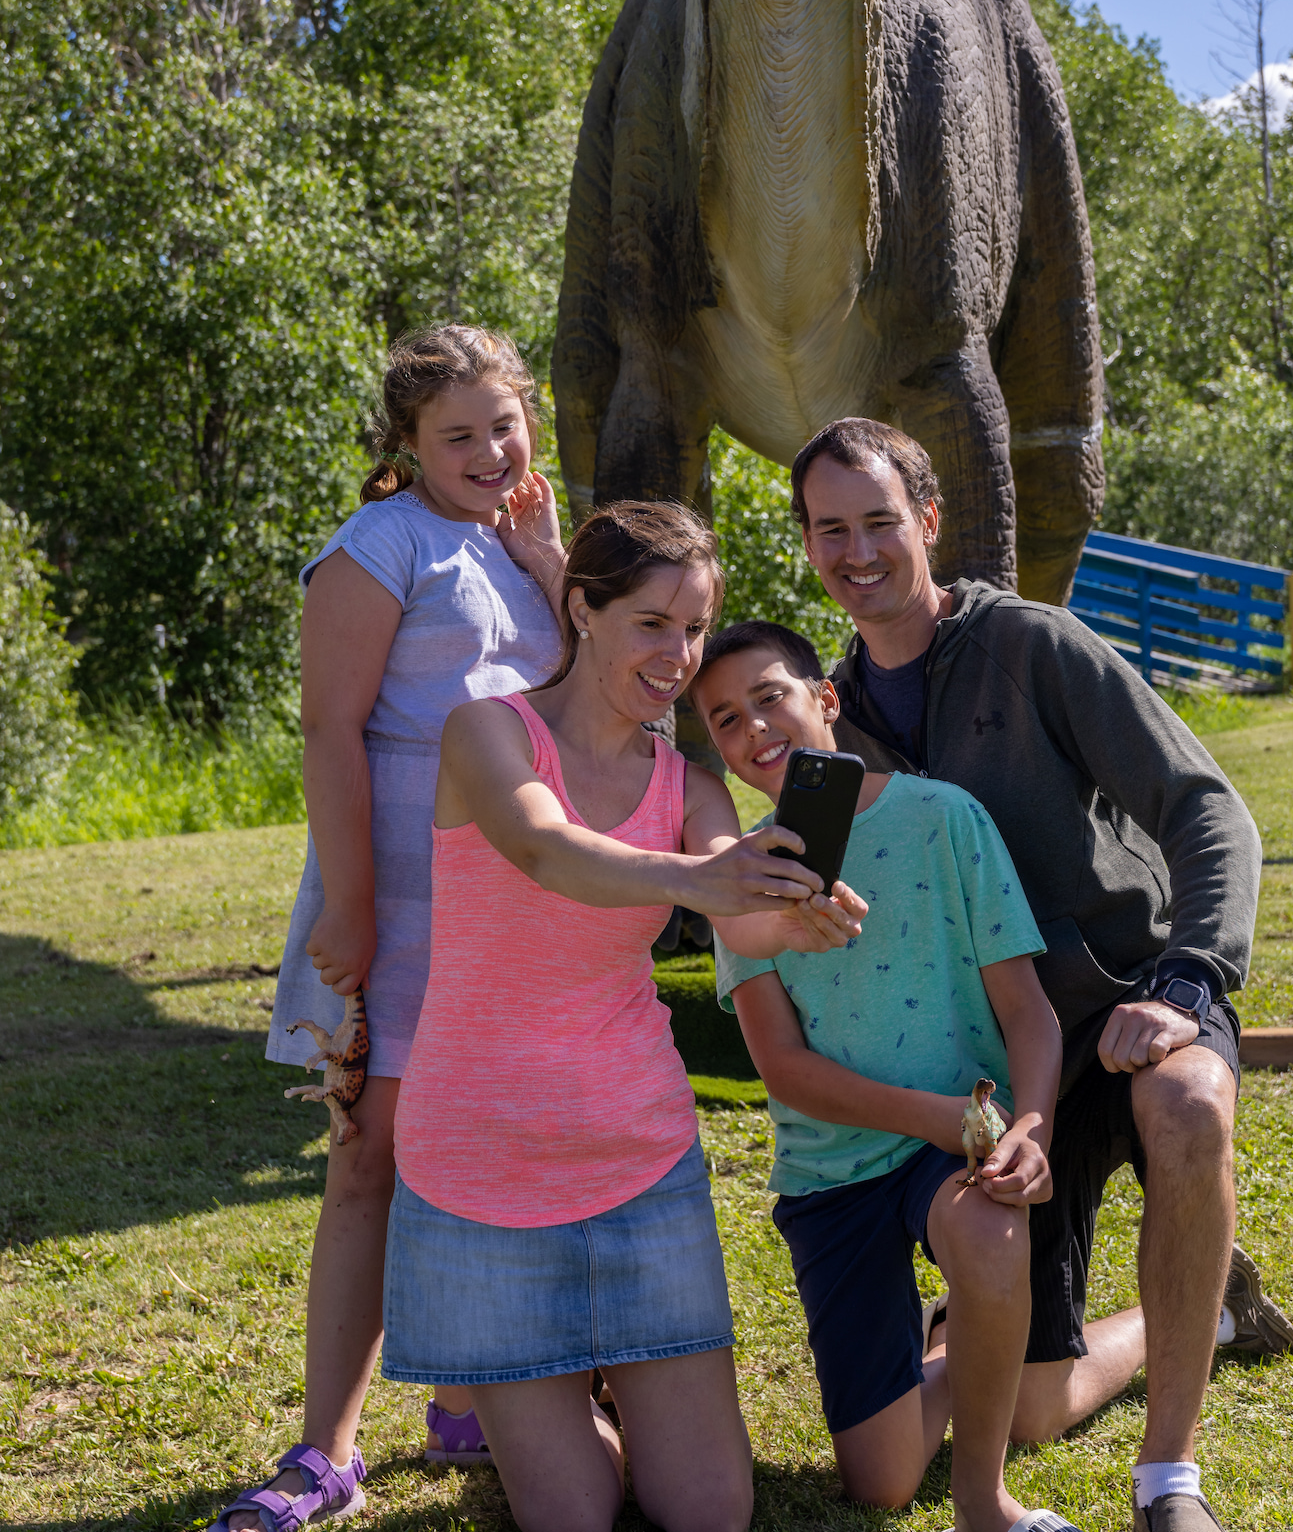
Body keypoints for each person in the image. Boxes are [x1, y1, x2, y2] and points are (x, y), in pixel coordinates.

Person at [788, 417, 1293, 1532]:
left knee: (1189, 1101)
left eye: (880, 519)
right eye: (831, 529)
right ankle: (1210, 1312)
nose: (858, 549)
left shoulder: (1033, 643)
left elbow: (1205, 806)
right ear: (810, 545)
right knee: (1022, 1408)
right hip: (1013, 1080)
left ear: (927, 519)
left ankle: (1170, 1478)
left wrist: (1186, 980)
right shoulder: (826, 723)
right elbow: (791, 905)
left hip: (1129, 1002)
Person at [379, 500, 826, 1532]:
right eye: (653, 623)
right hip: (480, 1164)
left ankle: (571, 1385)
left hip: (637, 1161)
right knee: (573, 1513)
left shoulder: (689, 782)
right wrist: (705, 880)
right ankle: (518, 1391)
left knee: (709, 1507)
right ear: (582, 607)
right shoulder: (488, 728)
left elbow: (743, 920)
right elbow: (548, 849)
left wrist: (795, 916)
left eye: (697, 626)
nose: (680, 654)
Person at [214, 325, 569, 1532]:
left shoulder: (522, 543)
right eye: (457, 432)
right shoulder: (376, 548)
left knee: (487, 1146)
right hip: (402, 900)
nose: (488, 448)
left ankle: (465, 1401)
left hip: (517, 902)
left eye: (503, 424)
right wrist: (352, 910)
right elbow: (329, 732)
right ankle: (326, 1448)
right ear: (407, 442)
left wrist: (550, 556)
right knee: (373, 1153)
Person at [692, 618, 1082, 1532]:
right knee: (884, 1482)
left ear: (825, 699)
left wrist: (1030, 1129)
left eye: (769, 696)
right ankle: (961, 1340)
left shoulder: (945, 817)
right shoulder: (735, 879)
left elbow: (1028, 1012)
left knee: (987, 1237)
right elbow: (784, 1069)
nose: (753, 729)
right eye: (723, 719)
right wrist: (933, 1116)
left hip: (957, 1145)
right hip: (835, 1172)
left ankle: (986, 1501)